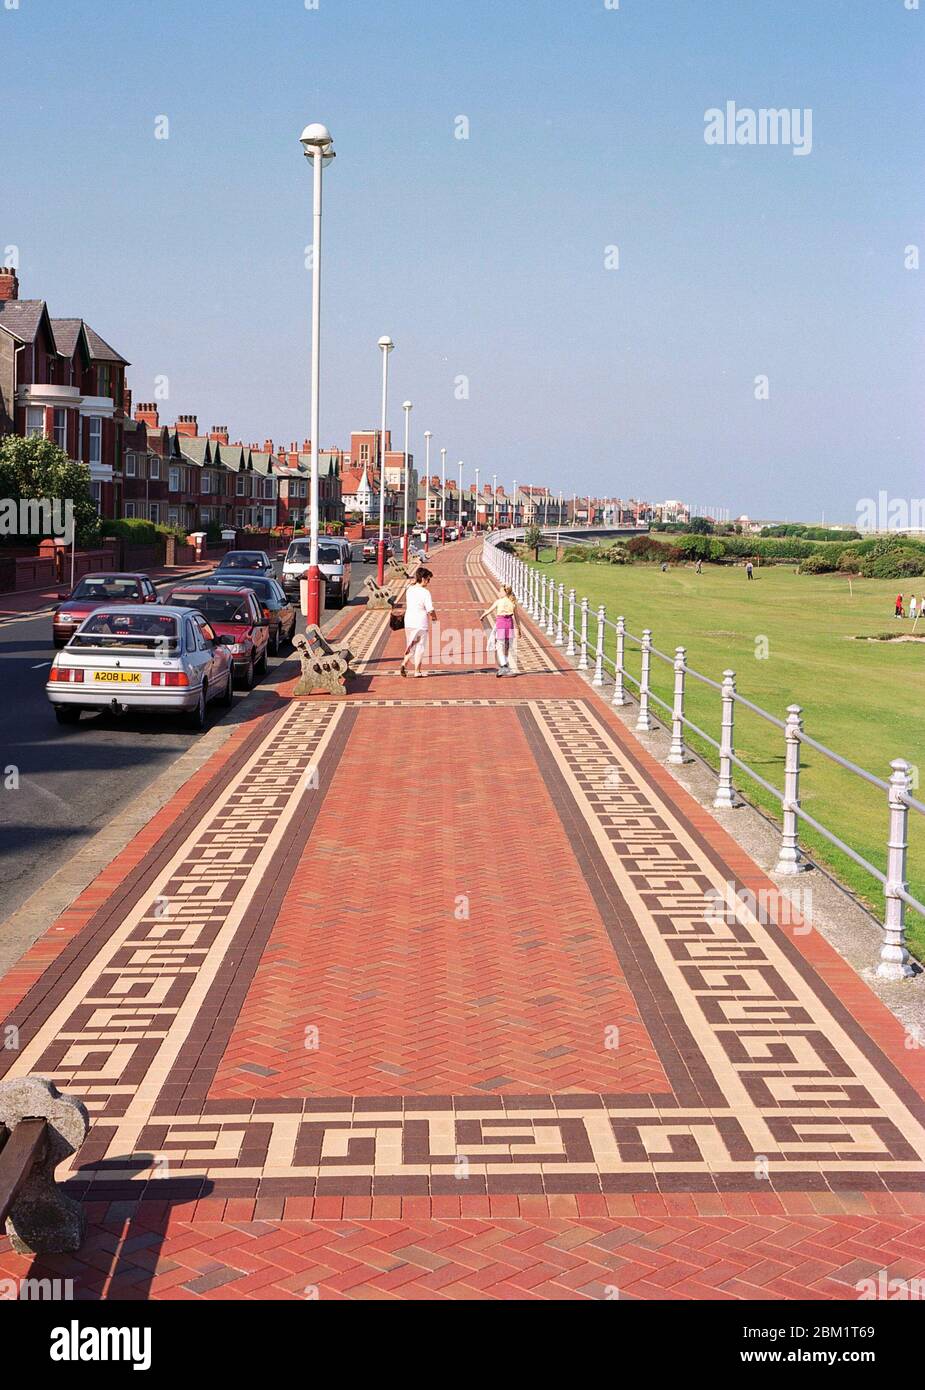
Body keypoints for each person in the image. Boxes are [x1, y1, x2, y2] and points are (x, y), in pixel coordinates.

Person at [400, 567, 436, 677]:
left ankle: (404, 663)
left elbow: (411, 585)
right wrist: (434, 618)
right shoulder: (425, 592)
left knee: (411, 644)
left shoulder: (409, 589)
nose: (428, 582)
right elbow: (430, 609)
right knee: (420, 646)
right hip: (421, 622)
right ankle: (417, 671)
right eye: (428, 580)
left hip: (409, 621)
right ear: (423, 579)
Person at [480, 584, 521, 677]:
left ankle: (503, 666)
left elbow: (489, 610)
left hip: (501, 624)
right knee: (507, 645)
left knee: (499, 645)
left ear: (505, 592)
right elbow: (517, 617)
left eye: (500, 591)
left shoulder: (499, 601)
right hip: (509, 624)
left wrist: (483, 616)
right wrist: (518, 629)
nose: (498, 593)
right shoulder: (512, 603)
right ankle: (505, 664)